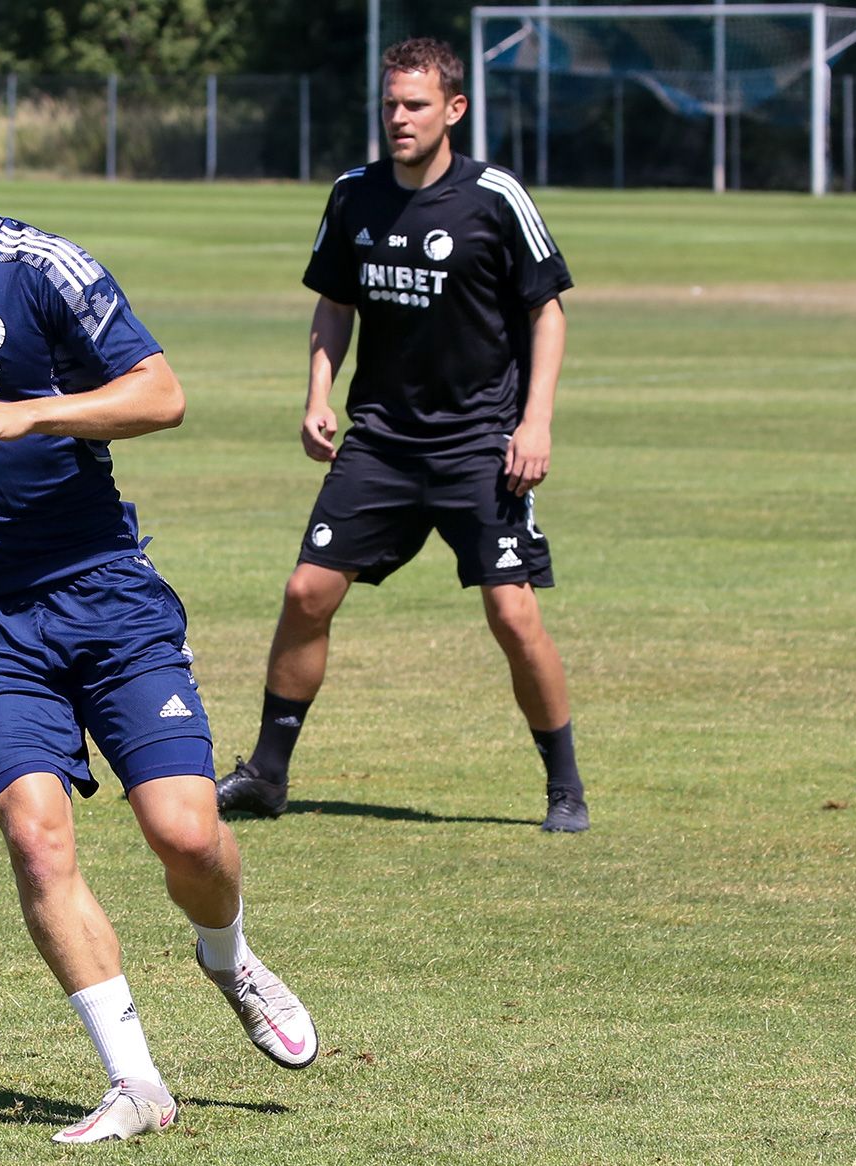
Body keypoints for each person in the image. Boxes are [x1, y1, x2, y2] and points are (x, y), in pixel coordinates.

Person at [0, 55, 318, 1145]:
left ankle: (227, 953)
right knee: (37, 841)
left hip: (106, 598)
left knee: (185, 833)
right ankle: (135, 1079)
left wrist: (28, 414)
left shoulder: (41, 269)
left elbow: (162, 393)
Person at [215, 38, 588, 833]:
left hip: (480, 443)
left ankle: (565, 789)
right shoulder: (355, 195)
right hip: (381, 440)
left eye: (414, 105)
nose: (398, 119)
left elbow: (545, 310)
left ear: (453, 109)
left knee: (512, 614)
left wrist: (536, 422)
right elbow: (334, 303)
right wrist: (319, 395)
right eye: (390, 104)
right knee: (305, 592)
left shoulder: (494, 198)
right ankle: (268, 775)